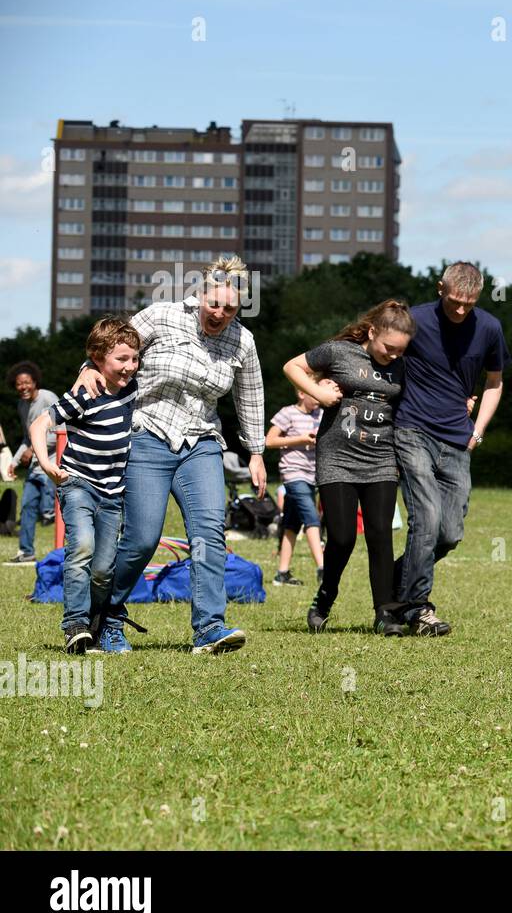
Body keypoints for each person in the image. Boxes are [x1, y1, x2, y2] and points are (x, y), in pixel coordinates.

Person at [73, 255, 267, 655]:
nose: (220, 313)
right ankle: (107, 616)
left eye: (230, 308)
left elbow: (250, 396)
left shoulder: (241, 341)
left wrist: (257, 452)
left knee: (209, 533)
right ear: (200, 294)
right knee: (143, 538)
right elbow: (114, 349)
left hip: (201, 442)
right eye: (214, 303)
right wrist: (86, 370)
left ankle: (209, 628)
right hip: (148, 434)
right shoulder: (161, 316)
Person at [391, 263, 510, 636]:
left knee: (449, 533)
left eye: (468, 304)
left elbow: (494, 381)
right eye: (455, 301)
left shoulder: (489, 327)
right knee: (425, 519)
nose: (460, 310)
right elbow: (380, 353)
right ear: (440, 288)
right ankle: (416, 608)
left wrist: (478, 431)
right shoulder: (414, 320)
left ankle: (394, 579)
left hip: (458, 438)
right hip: (412, 430)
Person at [284, 300, 414, 636]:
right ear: (372, 332)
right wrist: (317, 392)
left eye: (401, 350)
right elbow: (292, 366)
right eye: (389, 348)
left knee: (380, 536)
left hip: (381, 460)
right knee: (341, 538)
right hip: (337, 458)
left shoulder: (401, 364)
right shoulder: (340, 352)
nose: (394, 356)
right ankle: (324, 600)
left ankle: (385, 612)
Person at [28, 318, 140, 653]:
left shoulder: (133, 387)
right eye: (121, 359)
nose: (130, 366)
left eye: (134, 358)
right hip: (78, 483)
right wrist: (47, 464)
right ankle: (74, 624)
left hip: (112, 493)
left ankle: (95, 623)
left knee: (104, 568)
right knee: (82, 549)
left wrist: (92, 365)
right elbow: (40, 424)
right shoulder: (84, 393)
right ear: (98, 358)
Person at [265, 389, 324, 586]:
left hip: (312, 476)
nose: (319, 398)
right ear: (301, 393)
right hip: (293, 474)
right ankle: (323, 568)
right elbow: (270, 440)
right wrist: (301, 439)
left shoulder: (321, 415)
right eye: (315, 394)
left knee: (292, 523)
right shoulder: (288, 413)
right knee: (311, 517)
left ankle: (282, 574)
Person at [4, 362, 59, 565]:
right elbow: (28, 438)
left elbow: (59, 432)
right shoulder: (22, 405)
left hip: (53, 462)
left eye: (27, 382)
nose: (23, 387)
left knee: (51, 508)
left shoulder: (47, 398)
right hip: (36, 466)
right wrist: (14, 461)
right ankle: (26, 552)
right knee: (27, 507)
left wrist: (34, 449)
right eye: (19, 384)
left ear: (35, 382)